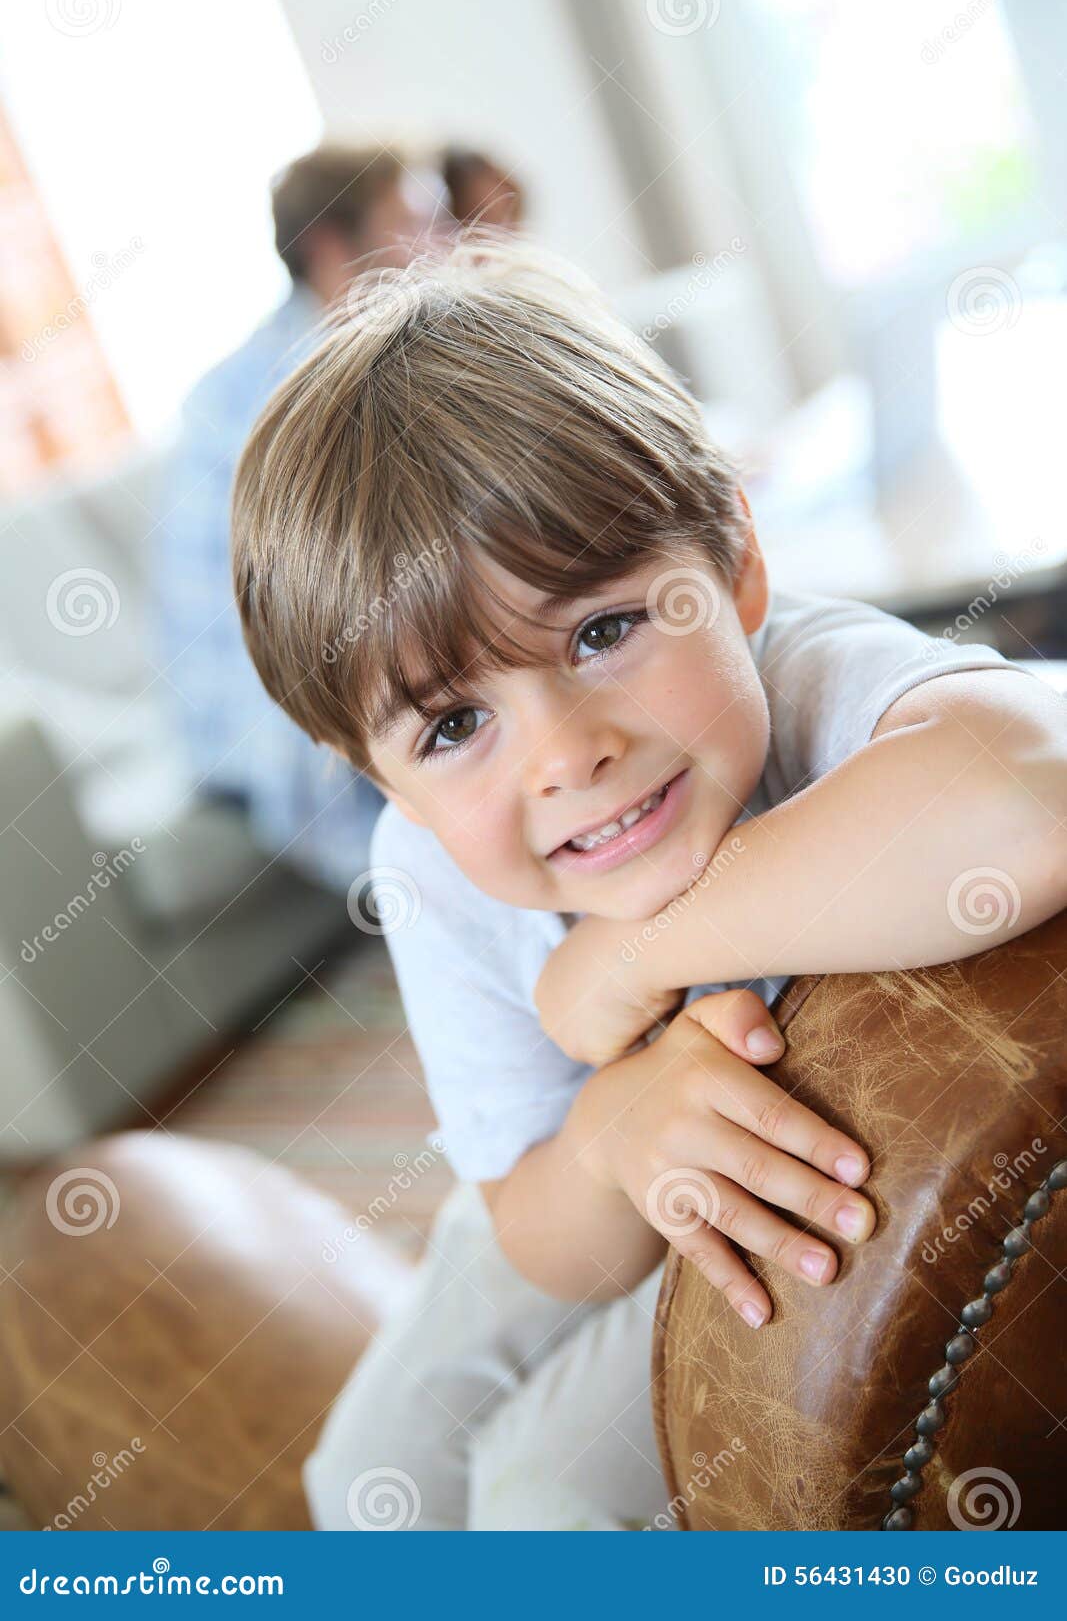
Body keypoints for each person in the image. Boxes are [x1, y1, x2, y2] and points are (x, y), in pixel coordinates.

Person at [229, 233, 1067, 1528]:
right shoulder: (431, 868)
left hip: (765, 1190)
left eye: (603, 631)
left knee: (541, 1504)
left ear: (733, 565)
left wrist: (627, 954)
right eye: (451, 725)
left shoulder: (802, 680)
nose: (568, 754)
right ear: (378, 779)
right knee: (364, 1483)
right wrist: (616, 1129)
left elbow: (1024, 802)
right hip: (580, 1170)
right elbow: (534, 1231)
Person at [153, 143, 449, 889]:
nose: (444, 240)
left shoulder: (379, 344)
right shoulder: (267, 389)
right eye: (414, 221)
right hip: (257, 710)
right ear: (330, 248)